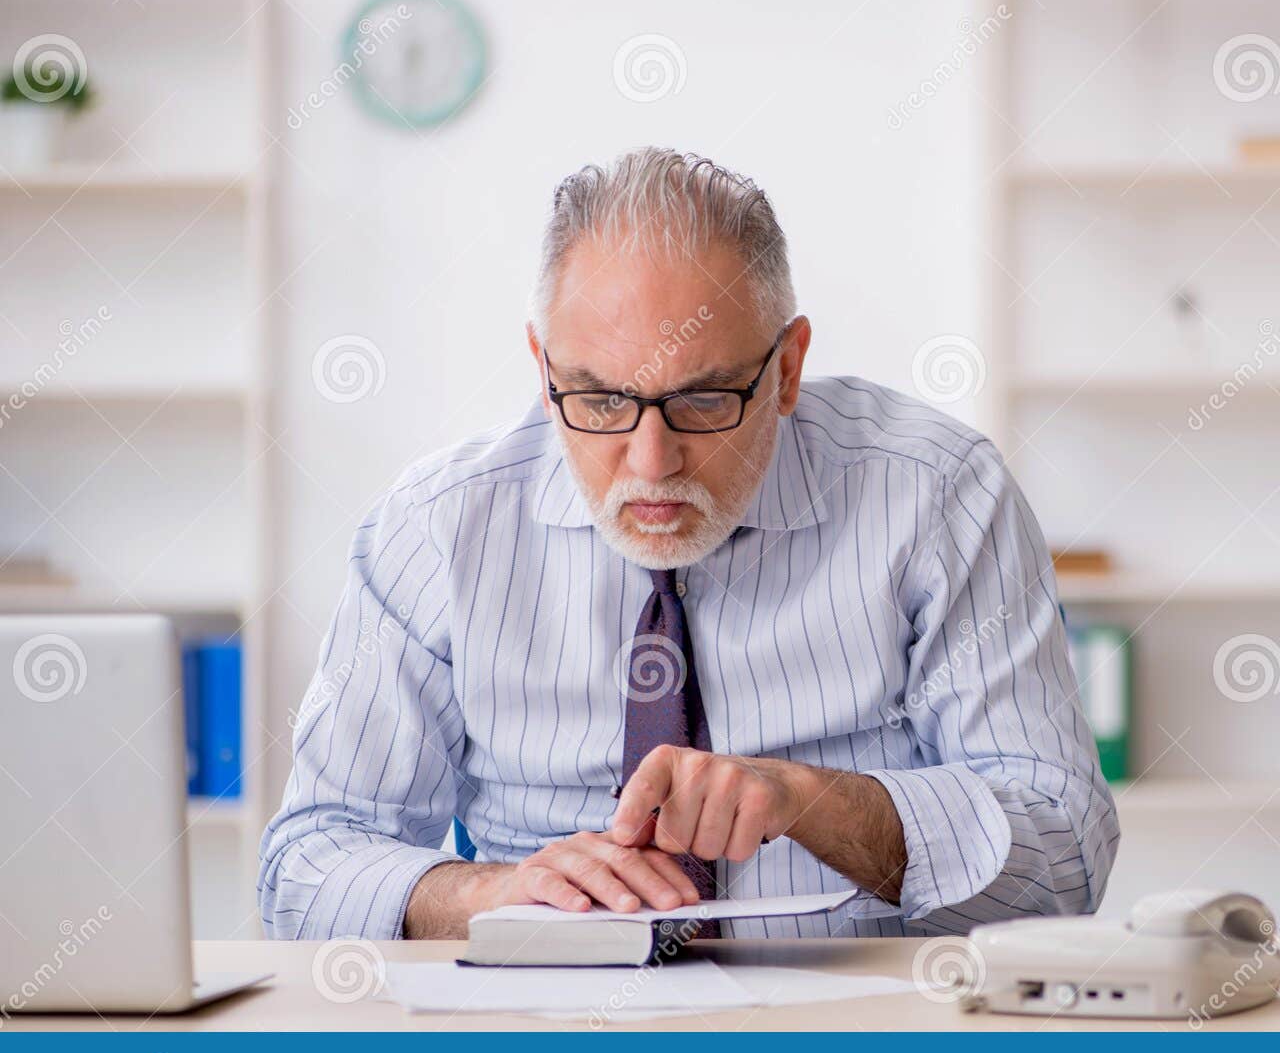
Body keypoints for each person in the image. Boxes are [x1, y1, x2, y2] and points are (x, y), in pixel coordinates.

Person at [259, 147, 1118, 940]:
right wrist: (493, 894)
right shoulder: (437, 528)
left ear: (787, 370)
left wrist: (812, 802)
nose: (651, 463)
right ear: (544, 369)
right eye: (600, 400)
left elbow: (1065, 858)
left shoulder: (937, 494)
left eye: (704, 400)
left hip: (858, 1023)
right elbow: (305, 870)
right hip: (542, 1024)